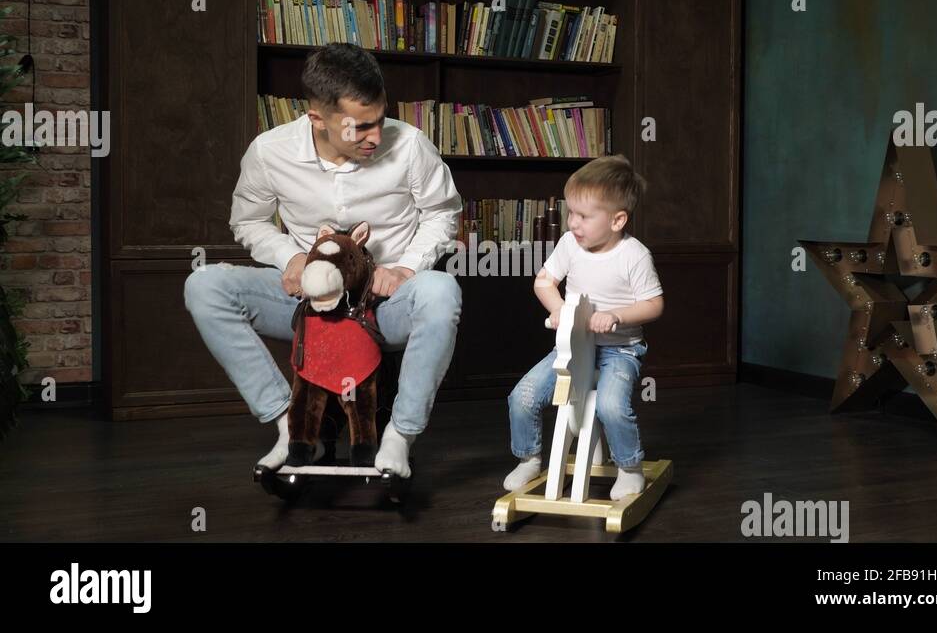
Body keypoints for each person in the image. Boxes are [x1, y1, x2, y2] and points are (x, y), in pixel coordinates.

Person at [184, 43, 462, 478]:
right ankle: (287, 425)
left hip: (386, 303)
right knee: (203, 285)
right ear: (317, 118)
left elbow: (443, 213)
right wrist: (290, 257)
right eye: (360, 127)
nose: (376, 136)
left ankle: (399, 437)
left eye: (380, 120)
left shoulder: (410, 145)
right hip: (309, 307)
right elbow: (248, 221)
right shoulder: (268, 152)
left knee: (442, 291)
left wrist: (407, 267)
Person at [504, 155, 664, 500]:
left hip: (619, 349)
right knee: (523, 396)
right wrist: (560, 309)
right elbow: (544, 281)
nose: (573, 223)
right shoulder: (569, 244)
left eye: (584, 216)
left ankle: (629, 466)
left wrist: (616, 315)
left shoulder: (633, 255)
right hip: (574, 345)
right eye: (571, 212)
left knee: (609, 405)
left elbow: (654, 305)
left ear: (617, 220)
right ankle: (529, 458)